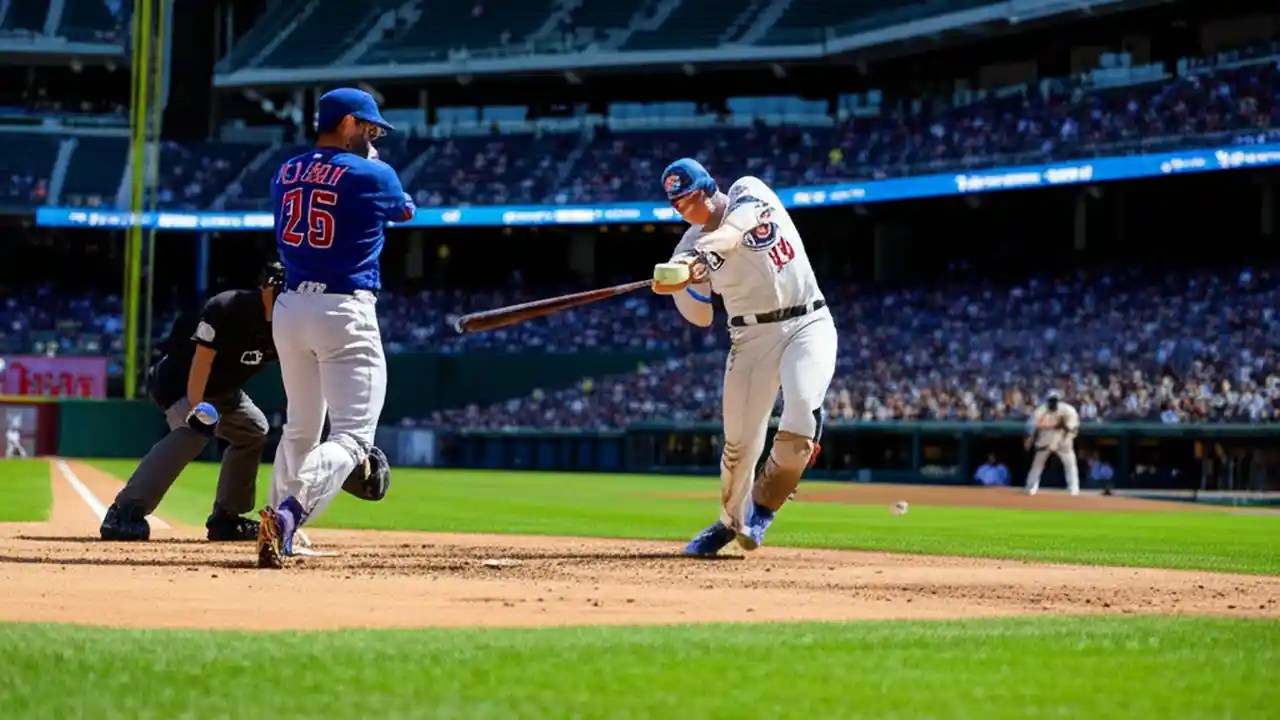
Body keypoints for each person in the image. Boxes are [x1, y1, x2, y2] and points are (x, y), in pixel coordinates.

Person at [256, 87, 410, 568]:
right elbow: (405, 211)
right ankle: (287, 514)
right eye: (367, 127)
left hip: (291, 307)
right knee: (352, 437)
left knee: (300, 426)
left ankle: (279, 522)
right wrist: (374, 163)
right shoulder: (374, 173)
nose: (372, 135)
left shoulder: (285, 170)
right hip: (345, 309)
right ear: (345, 123)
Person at [653, 157, 837, 556]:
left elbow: (734, 230)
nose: (682, 209)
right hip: (750, 338)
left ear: (706, 189)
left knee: (801, 411)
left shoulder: (747, 190)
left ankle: (763, 509)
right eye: (675, 205)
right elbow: (700, 315)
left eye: (686, 200)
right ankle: (729, 522)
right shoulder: (688, 244)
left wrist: (701, 260)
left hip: (808, 321)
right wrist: (679, 279)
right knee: (738, 446)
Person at [100, 262, 284, 541]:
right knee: (195, 431)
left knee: (253, 428)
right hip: (179, 383)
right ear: (268, 287)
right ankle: (124, 512)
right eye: (285, 289)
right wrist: (196, 407)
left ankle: (226, 519)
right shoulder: (228, 307)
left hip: (224, 392)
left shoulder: (289, 327)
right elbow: (201, 362)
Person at [1024, 389, 1081, 495]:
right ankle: (1031, 487)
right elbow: (1031, 425)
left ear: (1059, 400)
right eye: (1051, 400)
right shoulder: (1041, 410)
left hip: (1063, 440)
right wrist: (1029, 439)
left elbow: (1072, 427)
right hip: (1046, 439)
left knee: (1070, 464)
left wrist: (1062, 426)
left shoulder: (1068, 410)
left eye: (1055, 400)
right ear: (1047, 400)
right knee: (1037, 464)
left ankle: (1073, 488)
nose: (1053, 402)